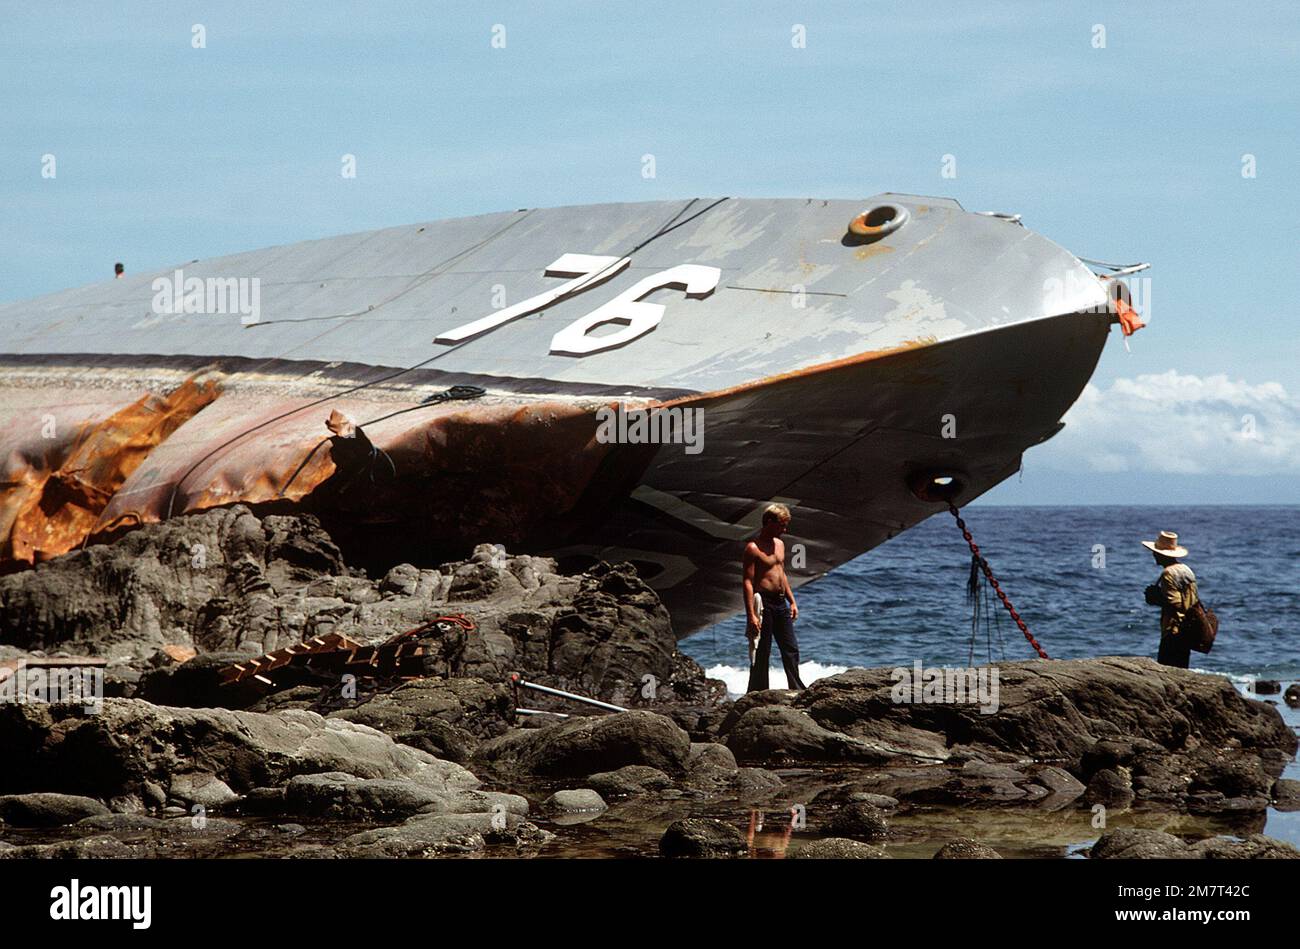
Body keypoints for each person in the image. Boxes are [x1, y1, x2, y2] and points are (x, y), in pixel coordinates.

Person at [743, 503, 806, 692]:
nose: (784, 530)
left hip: (780, 603)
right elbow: (747, 581)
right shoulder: (753, 548)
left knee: (791, 647)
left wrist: (792, 600)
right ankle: (757, 691)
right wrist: (751, 616)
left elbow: (781, 574)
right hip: (764, 603)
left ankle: (796, 689)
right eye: (781, 525)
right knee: (762, 650)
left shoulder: (780, 544)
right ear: (769, 522)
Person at [1142, 530, 1198, 668]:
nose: (1153, 554)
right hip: (1187, 629)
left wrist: (1156, 599)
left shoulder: (1168, 573)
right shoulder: (1185, 569)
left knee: (1168, 669)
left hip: (1174, 630)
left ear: (1161, 554)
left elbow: (1175, 603)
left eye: (1155, 552)